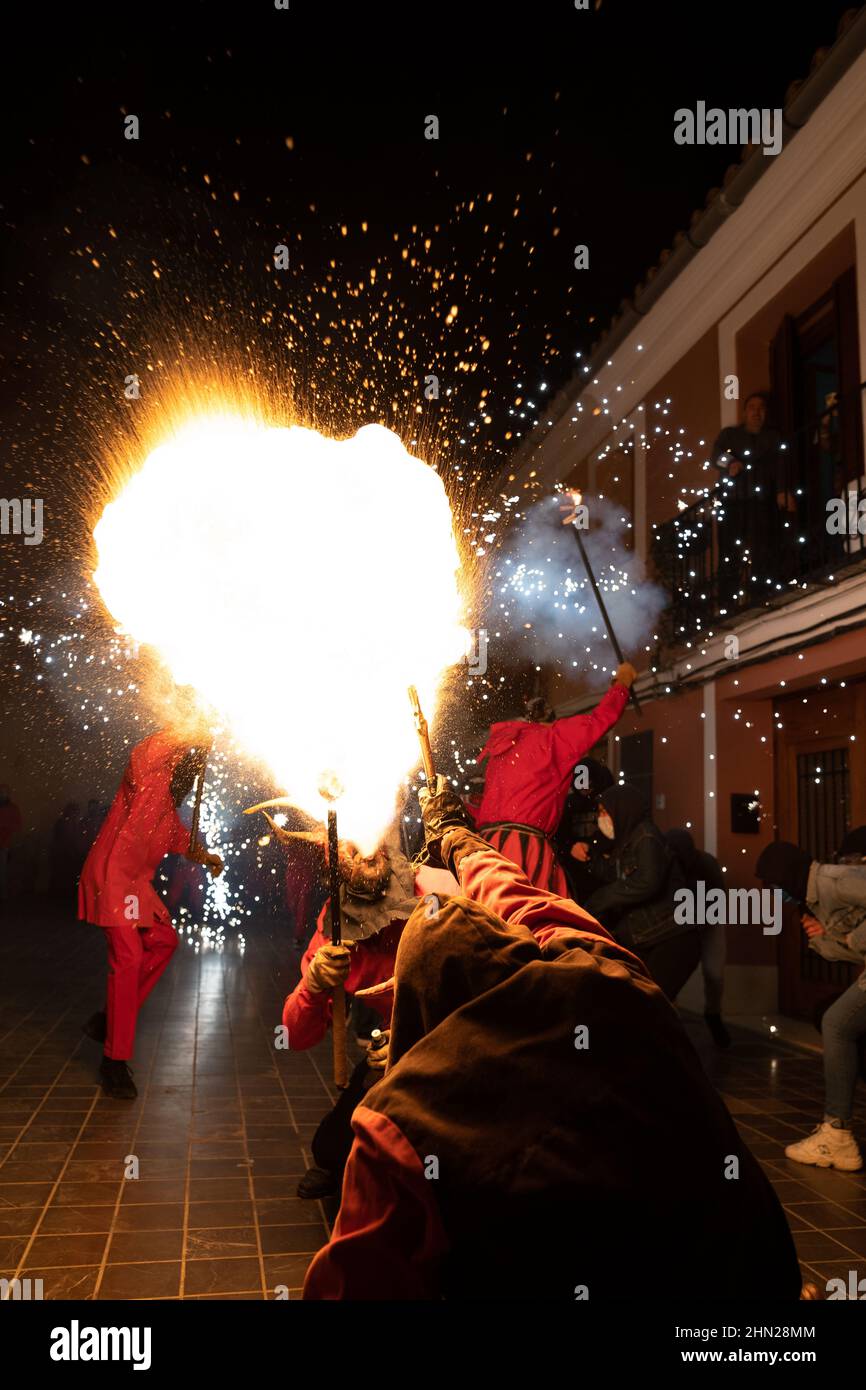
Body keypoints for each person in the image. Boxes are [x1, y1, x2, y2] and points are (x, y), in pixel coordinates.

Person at [303, 780, 801, 1301]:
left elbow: (356, 1281)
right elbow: (525, 903)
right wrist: (458, 841)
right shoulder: (613, 980)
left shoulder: (402, 1122)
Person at [276, 820, 457, 1199]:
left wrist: (415, 1043)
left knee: (441, 1162)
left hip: (461, 1048)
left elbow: (491, 987)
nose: (365, 853)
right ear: (335, 864)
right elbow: (294, 1037)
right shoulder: (336, 929)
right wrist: (313, 985)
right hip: (394, 1055)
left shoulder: (439, 892)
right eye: (349, 849)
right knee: (332, 1146)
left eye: (370, 841)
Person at [78, 728, 223, 1099]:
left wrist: (208, 858)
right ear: (171, 768)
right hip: (111, 877)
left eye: (191, 781)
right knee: (128, 959)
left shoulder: (169, 813)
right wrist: (191, 722)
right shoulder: (147, 776)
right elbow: (150, 749)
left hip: (134, 889)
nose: (187, 786)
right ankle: (113, 1061)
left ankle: (109, 1018)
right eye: (184, 776)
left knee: (164, 941)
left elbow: (184, 844)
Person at [472, 664, 635, 893]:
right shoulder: (553, 738)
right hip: (523, 850)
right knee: (538, 919)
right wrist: (622, 684)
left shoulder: (503, 744)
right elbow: (601, 719)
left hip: (485, 849)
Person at [756, 841, 866, 1171]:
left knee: (836, 1023)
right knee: (835, 1022)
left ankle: (837, 1135)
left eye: (771, 885)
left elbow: (857, 942)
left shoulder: (834, 880)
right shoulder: (814, 899)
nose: (772, 894)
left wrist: (850, 939)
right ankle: (837, 1133)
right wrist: (825, 940)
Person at [573, 785, 700, 1003]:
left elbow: (647, 882)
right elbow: (619, 878)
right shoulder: (627, 841)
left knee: (650, 1007)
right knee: (641, 1008)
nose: (602, 818)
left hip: (672, 938)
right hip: (650, 938)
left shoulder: (646, 836)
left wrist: (599, 900)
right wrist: (589, 859)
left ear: (622, 810)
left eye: (605, 812)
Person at [666, 827, 730, 1048]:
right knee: (674, 974)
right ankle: (671, 1025)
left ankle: (714, 1015)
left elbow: (719, 900)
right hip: (679, 926)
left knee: (715, 974)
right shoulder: (667, 862)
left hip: (709, 924)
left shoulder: (707, 864)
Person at [0, 783, 23, 905]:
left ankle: (3, 896)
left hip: (6, 845)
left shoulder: (13, 808)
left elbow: (18, 825)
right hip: (5, 844)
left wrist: (6, 827)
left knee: (3, 872)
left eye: (3, 792)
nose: (1, 794)